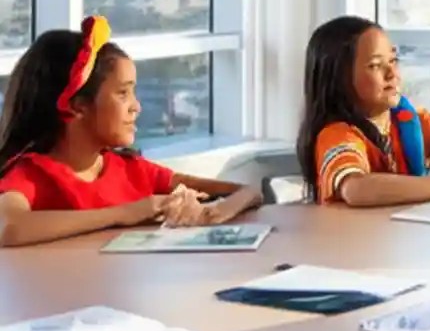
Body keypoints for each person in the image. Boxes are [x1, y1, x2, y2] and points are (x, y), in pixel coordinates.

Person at [0, 17, 262, 247]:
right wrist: (124, 213)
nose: (136, 106)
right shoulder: (31, 175)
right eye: (122, 93)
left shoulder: (133, 170)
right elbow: (7, 226)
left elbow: (248, 192)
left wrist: (212, 212)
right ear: (78, 106)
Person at [297, 15, 430, 206]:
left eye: (393, 60)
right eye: (375, 65)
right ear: (339, 78)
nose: (391, 74)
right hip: (354, 238)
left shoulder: (410, 119)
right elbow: (356, 189)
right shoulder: (337, 134)